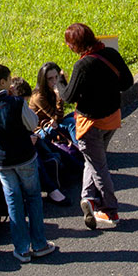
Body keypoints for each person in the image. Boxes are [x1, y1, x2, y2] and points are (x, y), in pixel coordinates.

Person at [0, 64, 56, 261]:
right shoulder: (16, 103)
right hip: (24, 157)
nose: (12, 82)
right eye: (9, 79)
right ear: (3, 82)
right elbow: (32, 123)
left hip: (1, 161)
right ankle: (39, 244)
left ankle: (21, 248)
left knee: (13, 201)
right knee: (33, 198)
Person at [63, 22, 133, 232]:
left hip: (90, 124)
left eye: (69, 44)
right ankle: (88, 199)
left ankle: (110, 210)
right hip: (111, 119)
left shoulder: (82, 66)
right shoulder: (110, 54)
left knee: (98, 166)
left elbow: (69, 96)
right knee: (93, 160)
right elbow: (127, 82)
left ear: (76, 45)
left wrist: (60, 83)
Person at [30, 63, 79, 204]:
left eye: (57, 77)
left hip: (54, 124)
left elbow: (59, 117)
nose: (54, 82)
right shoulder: (38, 96)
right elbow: (56, 117)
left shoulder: (55, 89)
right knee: (69, 123)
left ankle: (80, 146)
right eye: (50, 79)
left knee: (74, 117)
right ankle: (81, 149)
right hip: (41, 132)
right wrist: (59, 98)